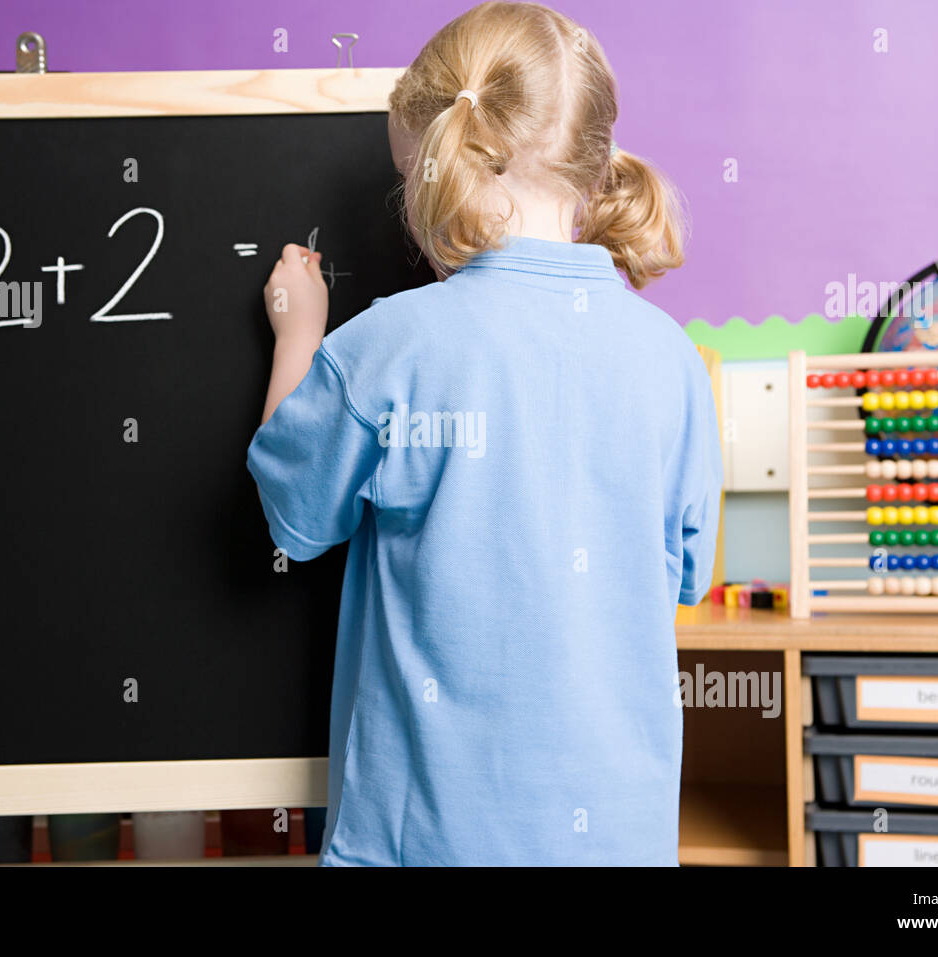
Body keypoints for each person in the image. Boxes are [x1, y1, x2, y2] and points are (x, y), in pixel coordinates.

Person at [247, 1, 722, 865]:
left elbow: (295, 512)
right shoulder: (674, 359)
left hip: (424, 839)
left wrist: (296, 336)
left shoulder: (390, 345)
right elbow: (684, 576)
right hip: (620, 840)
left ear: (437, 173)